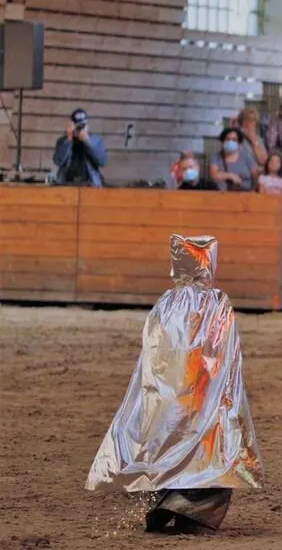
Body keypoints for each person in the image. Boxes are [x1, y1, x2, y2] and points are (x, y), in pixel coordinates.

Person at [86, 235, 263, 533]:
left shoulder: (164, 303)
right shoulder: (217, 302)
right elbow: (225, 354)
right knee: (213, 452)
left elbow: (151, 352)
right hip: (204, 393)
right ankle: (185, 509)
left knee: (166, 445)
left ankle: (162, 502)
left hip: (167, 394)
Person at [53, 108, 107, 187]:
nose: (80, 129)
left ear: (87, 126)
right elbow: (58, 161)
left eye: (83, 126)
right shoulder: (63, 141)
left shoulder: (96, 140)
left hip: (90, 184)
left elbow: (103, 162)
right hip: (66, 184)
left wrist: (88, 141)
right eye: (77, 126)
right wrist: (69, 138)